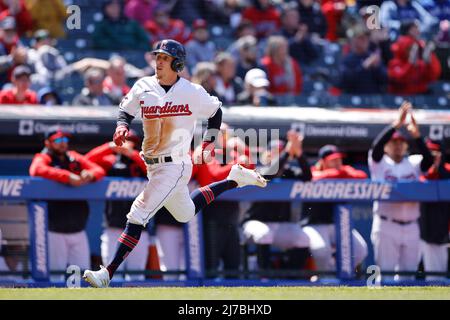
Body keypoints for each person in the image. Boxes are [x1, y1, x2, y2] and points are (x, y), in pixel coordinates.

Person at [83, 39, 267, 288]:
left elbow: (216, 112)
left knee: (137, 215)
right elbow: (125, 109)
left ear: (177, 63)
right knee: (186, 213)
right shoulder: (144, 85)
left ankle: (108, 272)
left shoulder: (191, 91)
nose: (158, 61)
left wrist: (209, 142)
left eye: (164, 58)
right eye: (157, 57)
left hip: (176, 165)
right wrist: (122, 125)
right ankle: (234, 178)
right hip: (153, 166)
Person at [368, 101, 434, 280]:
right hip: (386, 224)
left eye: (401, 142)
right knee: (386, 277)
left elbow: (428, 162)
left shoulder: (413, 162)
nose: (397, 145)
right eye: (393, 142)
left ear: (406, 146)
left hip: (412, 225)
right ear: (387, 146)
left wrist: (417, 136)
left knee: (408, 279)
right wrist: (395, 125)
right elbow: (376, 150)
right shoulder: (380, 164)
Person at [29, 129, 105, 280]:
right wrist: (67, 176)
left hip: (78, 229)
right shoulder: (44, 157)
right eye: (57, 140)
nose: (63, 143)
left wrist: (89, 175)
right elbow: (35, 169)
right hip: (55, 230)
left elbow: (98, 169)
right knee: (55, 277)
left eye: (65, 140)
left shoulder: (73, 157)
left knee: (81, 277)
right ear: (47, 143)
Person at [242, 131, 312, 274]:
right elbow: (270, 173)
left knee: (303, 238)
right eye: (275, 152)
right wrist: (287, 151)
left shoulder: (289, 170)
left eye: (281, 152)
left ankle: (290, 275)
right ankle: (265, 276)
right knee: (264, 234)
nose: (278, 156)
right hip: (254, 222)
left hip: (280, 225)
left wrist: (298, 153)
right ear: (265, 153)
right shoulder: (257, 168)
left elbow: (307, 176)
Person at [85, 130, 149, 281]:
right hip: (112, 224)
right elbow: (86, 161)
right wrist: (109, 146)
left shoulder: (143, 159)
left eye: (130, 140)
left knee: (136, 275)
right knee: (111, 272)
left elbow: (151, 170)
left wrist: (132, 153)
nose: (125, 143)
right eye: (123, 140)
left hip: (139, 226)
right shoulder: (110, 160)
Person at [302, 144, 368, 275]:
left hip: (339, 224)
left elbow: (362, 175)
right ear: (323, 162)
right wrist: (339, 173)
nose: (338, 163)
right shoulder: (312, 171)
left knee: (360, 250)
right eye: (333, 160)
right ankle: (325, 278)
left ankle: (337, 273)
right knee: (321, 250)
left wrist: (339, 172)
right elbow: (312, 177)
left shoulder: (343, 171)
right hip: (315, 224)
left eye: (339, 159)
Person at [419, 138, 450, 280]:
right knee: (434, 278)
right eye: (430, 152)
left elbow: (445, 175)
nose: (433, 156)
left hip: (445, 231)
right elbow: (425, 179)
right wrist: (434, 167)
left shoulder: (448, 169)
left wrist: (440, 167)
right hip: (427, 233)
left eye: (436, 152)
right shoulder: (421, 171)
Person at [387, 20, 441, 95]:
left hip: (420, 96)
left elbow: (433, 77)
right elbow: (400, 79)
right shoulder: (395, 61)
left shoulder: (421, 51)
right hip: (400, 97)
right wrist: (410, 64)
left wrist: (428, 63)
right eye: (414, 29)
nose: (417, 32)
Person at [337, 24, 388, 94]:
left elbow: (384, 80)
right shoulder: (347, 59)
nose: (365, 41)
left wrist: (377, 67)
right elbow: (344, 81)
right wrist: (363, 66)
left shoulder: (373, 57)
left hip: (373, 99)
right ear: (354, 40)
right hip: (352, 100)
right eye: (361, 38)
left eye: (366, 38)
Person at [260, 35, 302, 106]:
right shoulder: (265, 64)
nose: (285, 50)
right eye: (282, 48)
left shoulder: (292, 63)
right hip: (272, 102)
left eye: (285, 47)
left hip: (291, 101)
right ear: (274, 49)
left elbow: (298, 84)